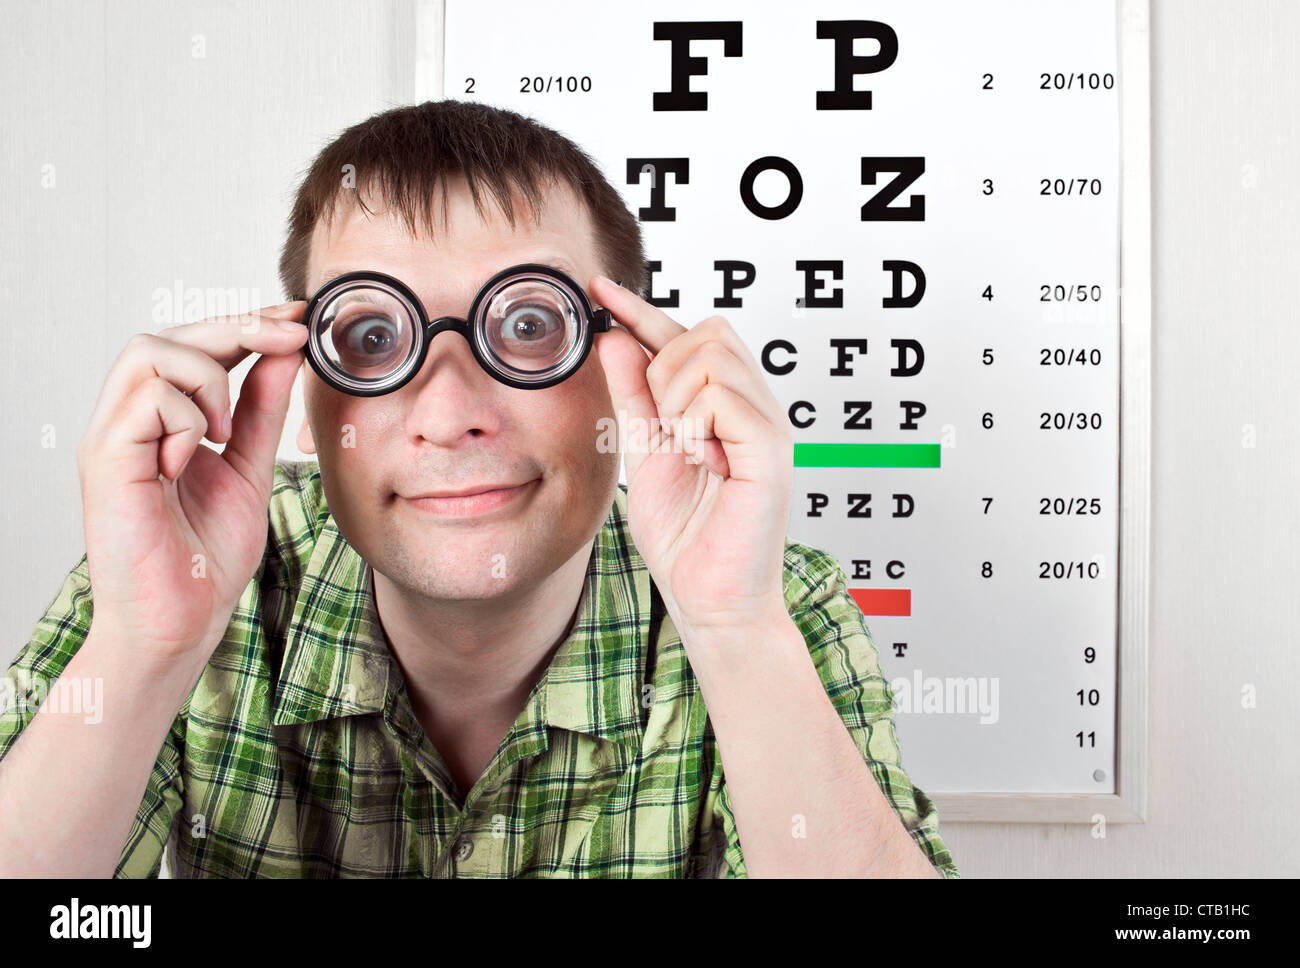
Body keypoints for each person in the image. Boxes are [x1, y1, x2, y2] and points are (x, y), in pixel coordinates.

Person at [0, 100, 958, 878]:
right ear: (301, 387)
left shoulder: (774, 601)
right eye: (372, 338)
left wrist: (738, 635)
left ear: (633, 373)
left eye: (530, 325)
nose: (450, 410)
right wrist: (142, 650)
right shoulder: (169, 581)